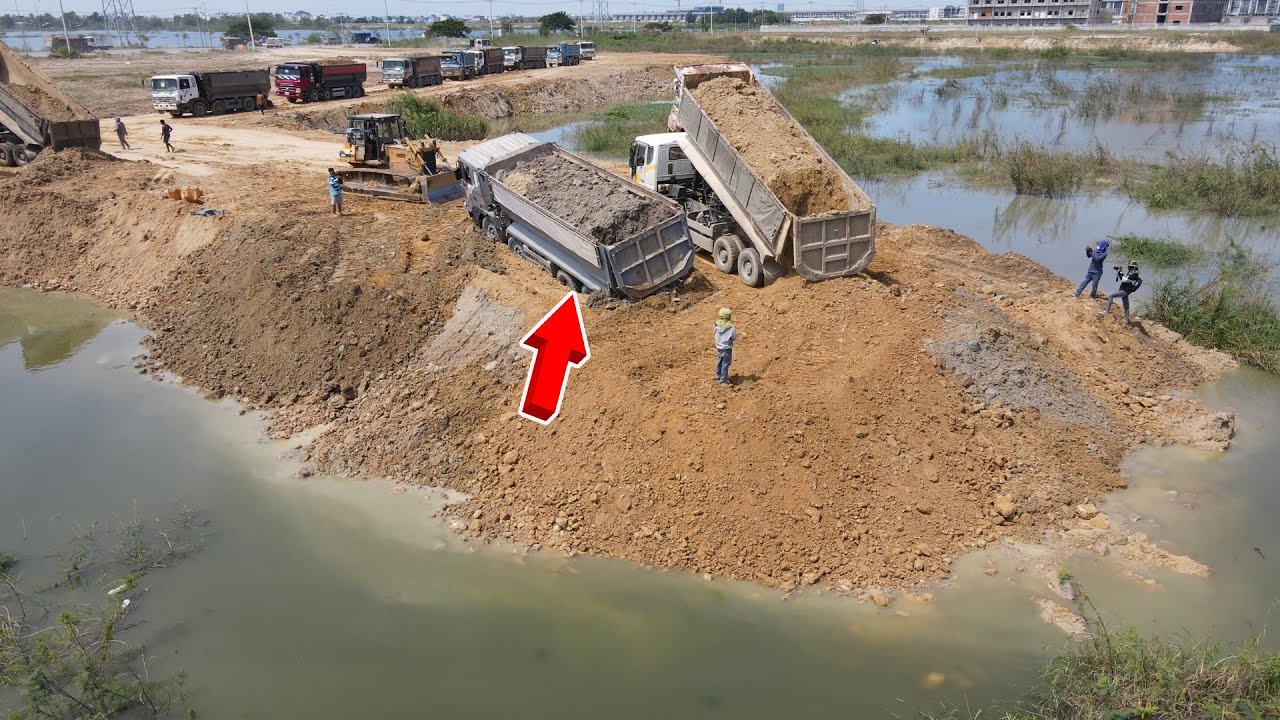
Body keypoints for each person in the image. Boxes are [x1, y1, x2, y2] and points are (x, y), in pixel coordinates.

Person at [714, 307, 736, 385]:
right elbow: (734, 337)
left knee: (719, 361)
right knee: (725, 363)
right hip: (727, 348)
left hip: (719, 347)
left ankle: (718, 375)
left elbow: (714, 333)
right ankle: (723, 379)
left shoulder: (716, 325)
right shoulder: (731, 328)